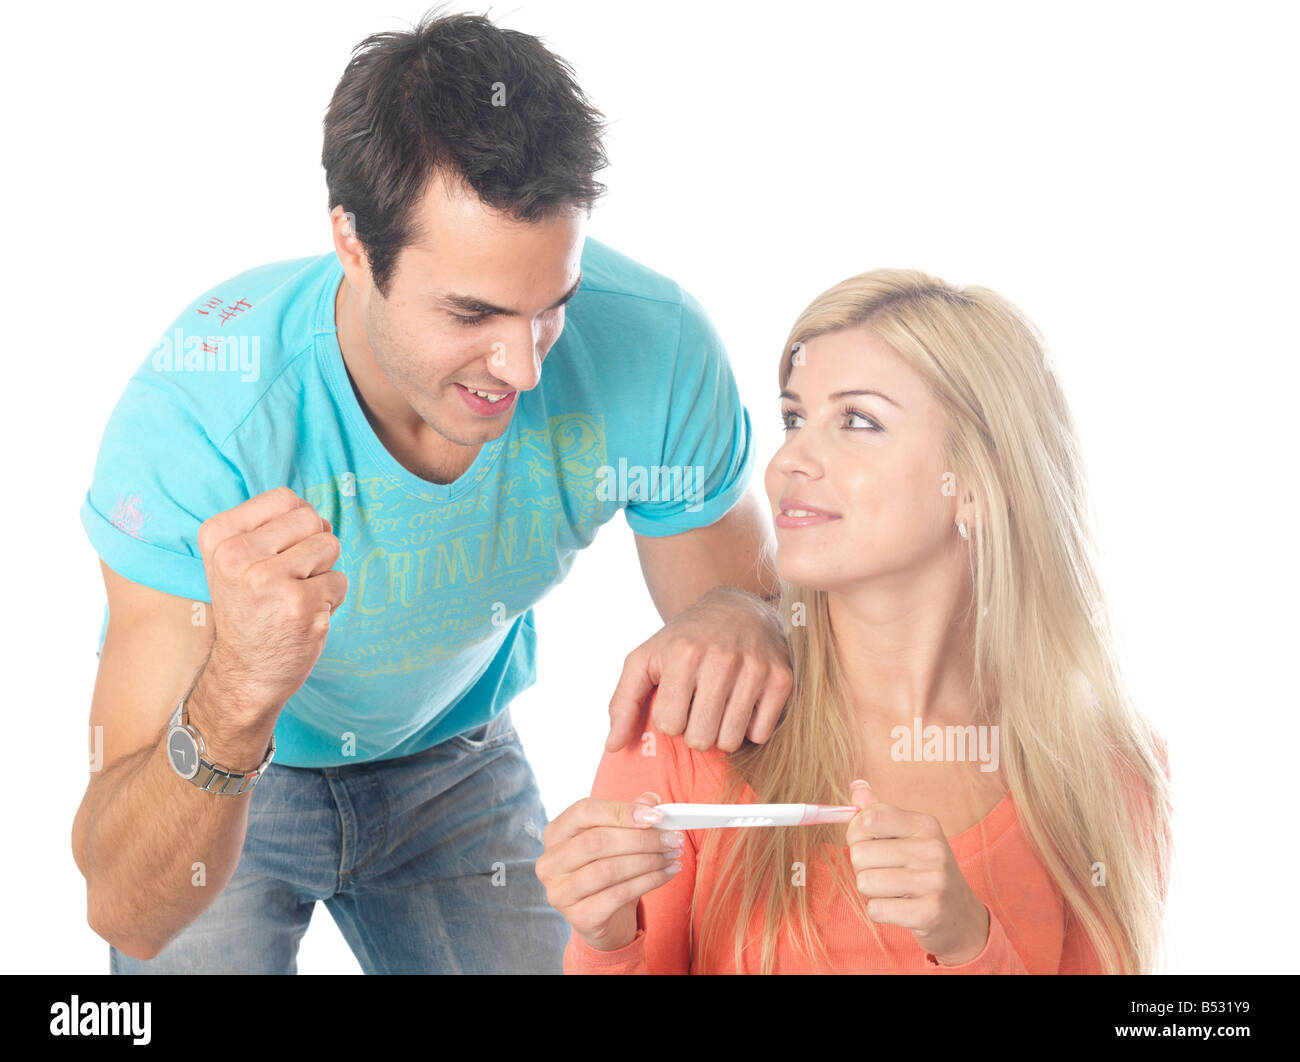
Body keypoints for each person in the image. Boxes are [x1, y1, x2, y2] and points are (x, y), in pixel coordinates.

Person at [71, 6, 793, 975]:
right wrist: (239, 692)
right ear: (353, 245)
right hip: (246, 764)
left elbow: (759, 657)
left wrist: (763, 624)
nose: (523, 368)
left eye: (552, 308)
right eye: (472, 313)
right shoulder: (204, 415)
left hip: (453, 759)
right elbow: (128, 907)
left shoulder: (653, 349)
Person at [540, 268, 1174, 974]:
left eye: (858, 421)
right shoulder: (699, 713)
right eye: (792, 418)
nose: (787, 462)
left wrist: (971, 944)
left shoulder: (1106, 771)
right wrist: (604, 939)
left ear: (976, 485)